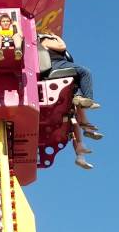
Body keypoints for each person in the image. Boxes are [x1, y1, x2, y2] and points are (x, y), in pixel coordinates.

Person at [39, 32, 102, 169]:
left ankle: (82, 144)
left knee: (72, 115)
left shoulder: (49, 46)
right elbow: (62, 46)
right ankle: (88, 103)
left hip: (59, 66)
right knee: (85, 72)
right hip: (55, 66)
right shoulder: (44, 40)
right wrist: (56, 37)